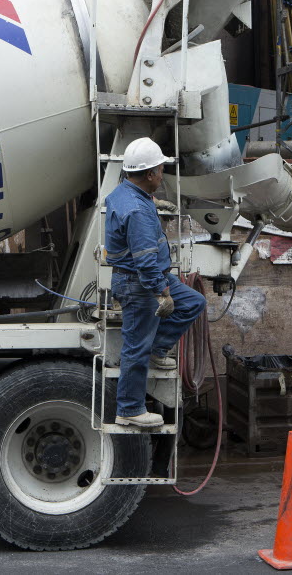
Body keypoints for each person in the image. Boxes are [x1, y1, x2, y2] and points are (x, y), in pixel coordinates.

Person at [105, 137, 206, 428]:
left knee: (194, 302)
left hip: (147, 277)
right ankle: (129, 409)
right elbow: (145, 262)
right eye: (160, 170)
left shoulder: (127, 192)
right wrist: (162, 293)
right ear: (149, 174)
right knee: (136, 347)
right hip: (140, 283)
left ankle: (157, 349)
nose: (162, 175)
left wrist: (154, 203)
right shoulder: (137, 211)